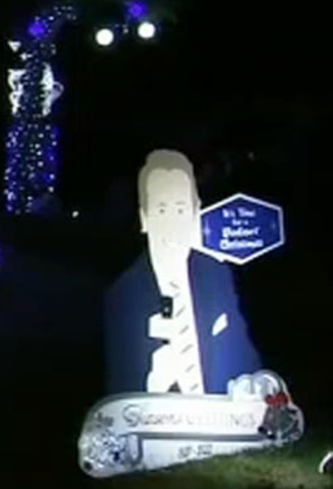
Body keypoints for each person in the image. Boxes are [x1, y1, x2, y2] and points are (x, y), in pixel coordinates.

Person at [104, 150, 261, 395]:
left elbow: (244, 361)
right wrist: (153, 384)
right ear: (144, 218)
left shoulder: (216, 275)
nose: (172, 226)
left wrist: (254, 384)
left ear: (195, 212)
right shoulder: (124, 295)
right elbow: (114, 395)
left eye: (180, 210)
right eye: (162, 210)